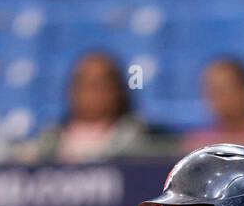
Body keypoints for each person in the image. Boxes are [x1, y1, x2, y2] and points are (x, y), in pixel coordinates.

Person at [19, 51, 153, 163]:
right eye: (82, 83)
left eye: (98, 84)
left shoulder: (140, 138)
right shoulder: (50, 140)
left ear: (117, 91)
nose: (90, 92)